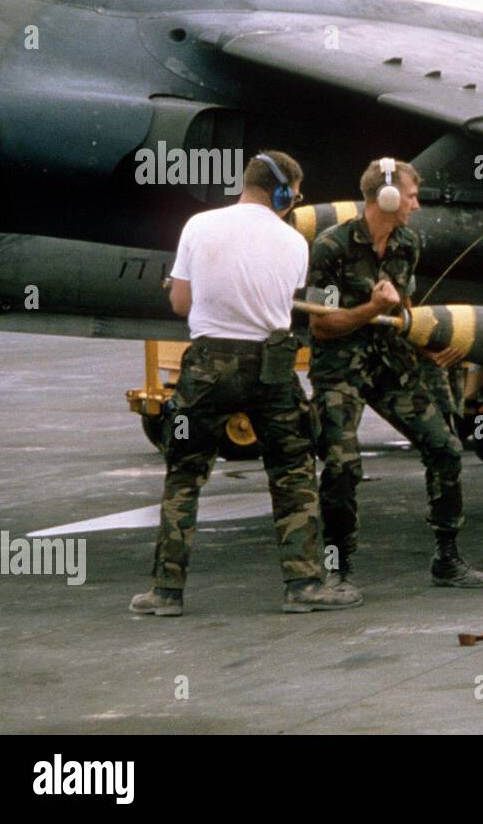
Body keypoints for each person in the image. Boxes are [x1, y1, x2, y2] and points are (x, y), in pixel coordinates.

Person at [131, 150, 361, 616]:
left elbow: (180, 303)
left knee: (184, 477)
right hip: (271, 367)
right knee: (293, 473)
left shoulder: (198, 225)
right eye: (294, 195)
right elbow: (286, 297)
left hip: (208, 364)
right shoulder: (295, 241)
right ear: (282, 192)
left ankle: (165, 593)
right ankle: (304, 585)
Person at [308, 158, 483, 597]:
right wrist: (371, 309)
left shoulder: (407, 242)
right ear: (386, 197)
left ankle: (447, 558)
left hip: (389, 360)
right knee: (341, 466)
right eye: (411, 196)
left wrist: (430, 341)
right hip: (340, 367)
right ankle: (338, 568)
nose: (416, 204)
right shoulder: (331, 247)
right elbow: (320, 325)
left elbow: (404, 308)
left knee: (445, 448)